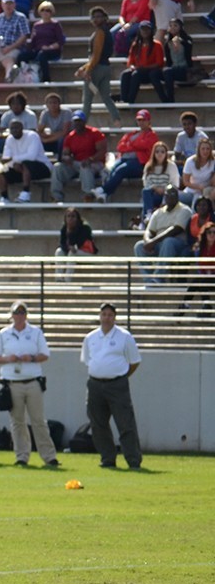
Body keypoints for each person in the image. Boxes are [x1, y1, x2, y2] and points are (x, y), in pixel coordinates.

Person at [0, 301, 58, 467]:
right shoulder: (3, 334)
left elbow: (45, 355)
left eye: (22, 313)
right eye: (16, 313)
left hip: (32, 381)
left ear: (26, 315)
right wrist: (9, 359)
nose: (19, 316)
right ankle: (22, 456)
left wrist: (32, 358)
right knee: (17, 421)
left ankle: (49, 456)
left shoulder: (35, 332)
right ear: (11, 315)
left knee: (39, 420)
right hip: (12, 382)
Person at [80, 303, 143, 469]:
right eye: (104, 314)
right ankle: (107, 459)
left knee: (125, 423)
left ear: (114, 317)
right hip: (95, 384)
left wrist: (120, 376)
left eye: (110, 315)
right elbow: (88, 361)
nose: (106, 318)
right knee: (98, 424)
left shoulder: (124, 336)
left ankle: (133, 460)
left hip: (117, 385)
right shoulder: (90, 338)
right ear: (99, 317)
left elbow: (134, 362)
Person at [134, 185, 193, 283]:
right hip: (159, 243)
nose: (171, 196)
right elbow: (149, 231)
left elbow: (176, 229)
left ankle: (159, 277)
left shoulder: (185, 210)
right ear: (164, 197)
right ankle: (148, 279)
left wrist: (153, 241)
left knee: (168, 241)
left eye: (173, 194)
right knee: (139, 246)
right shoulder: (158, 212)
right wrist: (148, 241)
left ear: (178, 196)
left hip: (178, 244)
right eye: (168, 194)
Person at [77, 7, 121, 128]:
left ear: (105, 18)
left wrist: (87, 70)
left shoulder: (100, 32)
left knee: (87, 100)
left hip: (97, 68)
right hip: (106, 67)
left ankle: (81, 124)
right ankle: (117, 121)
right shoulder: (107, 31)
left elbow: (96, 55)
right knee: (106, 97)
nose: (96, 19)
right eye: (94, 17)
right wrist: (84, 67)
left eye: (99, 16)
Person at [50, 111, 107, 203]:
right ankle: (56, 197)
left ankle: (88, 196)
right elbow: (65, 153)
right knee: (57, 167)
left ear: (84, 122)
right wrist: (66, 158)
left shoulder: (95, 133)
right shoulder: (70, 137)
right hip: (77, 163)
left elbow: (102, 151)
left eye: (80, 121)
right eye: (75, 121)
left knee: (84, 166)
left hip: (95, 163)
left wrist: (91, 159)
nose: (77, 123)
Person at [0, 119, 52, 204]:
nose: (14, 130)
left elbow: (31, 157)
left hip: (42, 168)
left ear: (22, 128)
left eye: (16, 128)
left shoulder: (32, 136)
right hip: (21, 170)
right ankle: (4, 197)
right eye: (12, 128)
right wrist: (13, 163)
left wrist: (14, 161)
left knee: (26, 163)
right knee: (0, 168)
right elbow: (6, 158)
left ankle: (26, 194)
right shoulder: (9, 139)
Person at [120, 21, 165, 105]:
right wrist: (133, 67)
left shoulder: (157, 45)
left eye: (147, 29)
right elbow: (130, 62)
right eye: (143, 29)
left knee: (136, 74)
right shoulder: (135, 45)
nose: (145, 32)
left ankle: (131, 100)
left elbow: (159, 63)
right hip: (138, 70)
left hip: (151, 72)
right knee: (125, 74)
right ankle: (124, 99)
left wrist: (145, 67)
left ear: (151, 31)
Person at [56, 207, 98, 281]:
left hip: (86, 253)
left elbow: (79, 243)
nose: (70, 219)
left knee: (72, 253)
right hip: (71, 252)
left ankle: (67, 281)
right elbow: (62, 243)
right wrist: (68, 247)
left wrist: (70, 232)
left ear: (77, 218)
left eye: (73, 216)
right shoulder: (64, 228)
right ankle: (58, 279)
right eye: (68, 216)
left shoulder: (85, 228)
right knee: (59, 251)